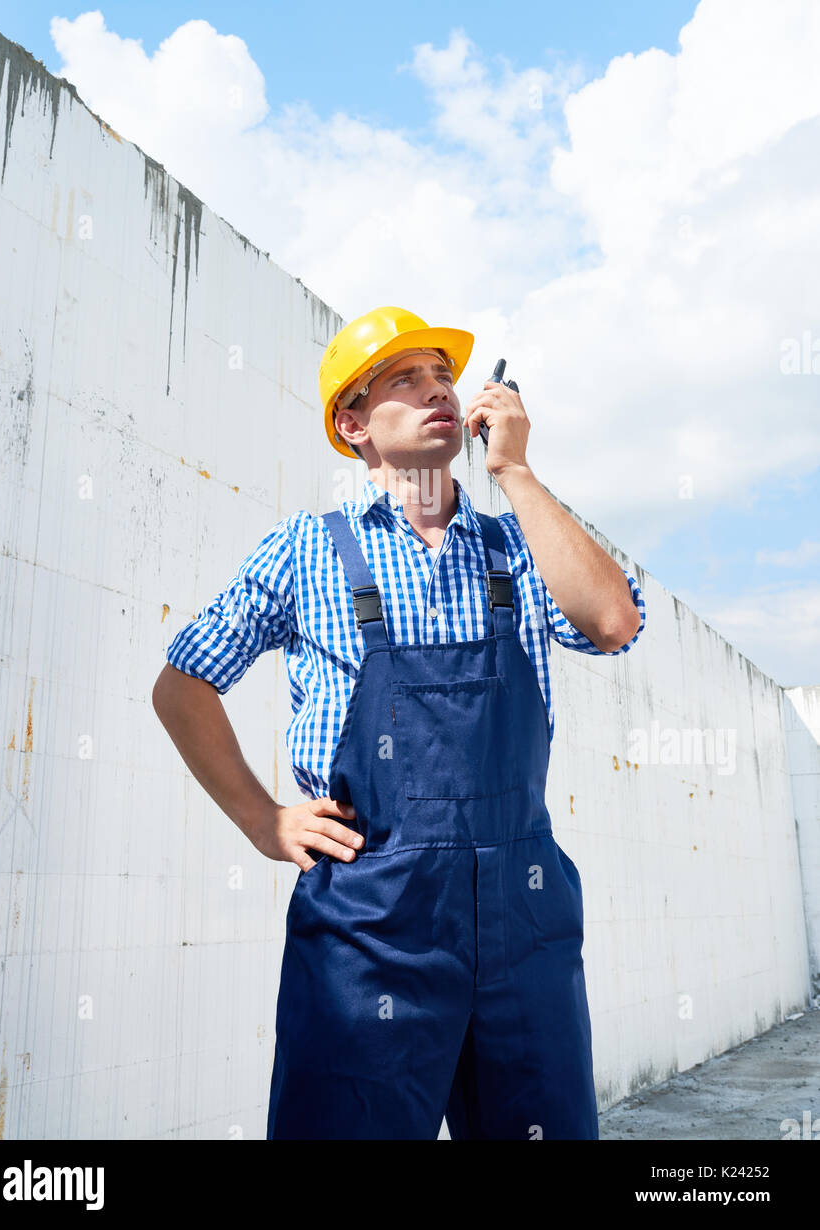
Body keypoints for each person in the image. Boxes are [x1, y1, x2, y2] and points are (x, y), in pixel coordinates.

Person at [152, 305, 646, 1139]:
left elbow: (611, 624)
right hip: (370, 921)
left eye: (442, 375)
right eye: (404, 379)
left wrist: (517, 475)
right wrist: (261, 819)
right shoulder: (305, 551)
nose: (436, 391)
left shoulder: (516, 546)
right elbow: (184, 684)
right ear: (354, 424)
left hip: (522, 921)